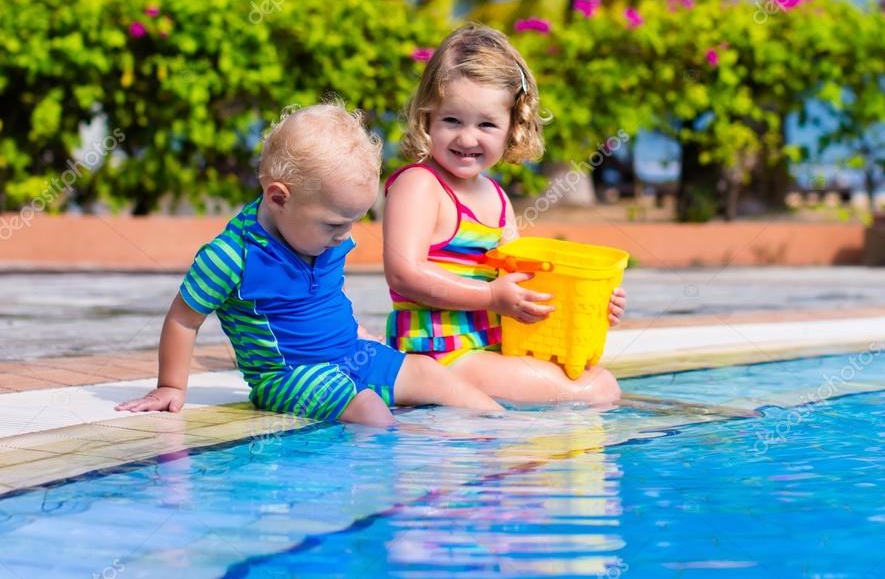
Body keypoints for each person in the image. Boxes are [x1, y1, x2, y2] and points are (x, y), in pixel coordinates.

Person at [116, 103, 502, 427]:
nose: (345, 234)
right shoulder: (232, 256)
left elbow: (325, 297)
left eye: (353, 220)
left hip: (352, 354)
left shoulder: (320, 233)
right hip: (289, 377)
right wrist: (171, 386)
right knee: (369, 408)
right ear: (279, 198)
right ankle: (425, 459)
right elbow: (185, 319)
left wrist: (359, 333)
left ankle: (501, 432)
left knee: (431, 373)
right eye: (335, 223)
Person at [383, 24, 626, 404]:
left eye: (486, 124)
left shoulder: (496, 197)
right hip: (438, 359)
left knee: (596, 379)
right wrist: (491, 296)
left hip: (487, 350)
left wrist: (590, 307)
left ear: (513, 127)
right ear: (427, 116)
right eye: (452, 121)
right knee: (596, 389)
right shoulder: (420, 184)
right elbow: (405, 272)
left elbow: (521, 282)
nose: (467, 138)